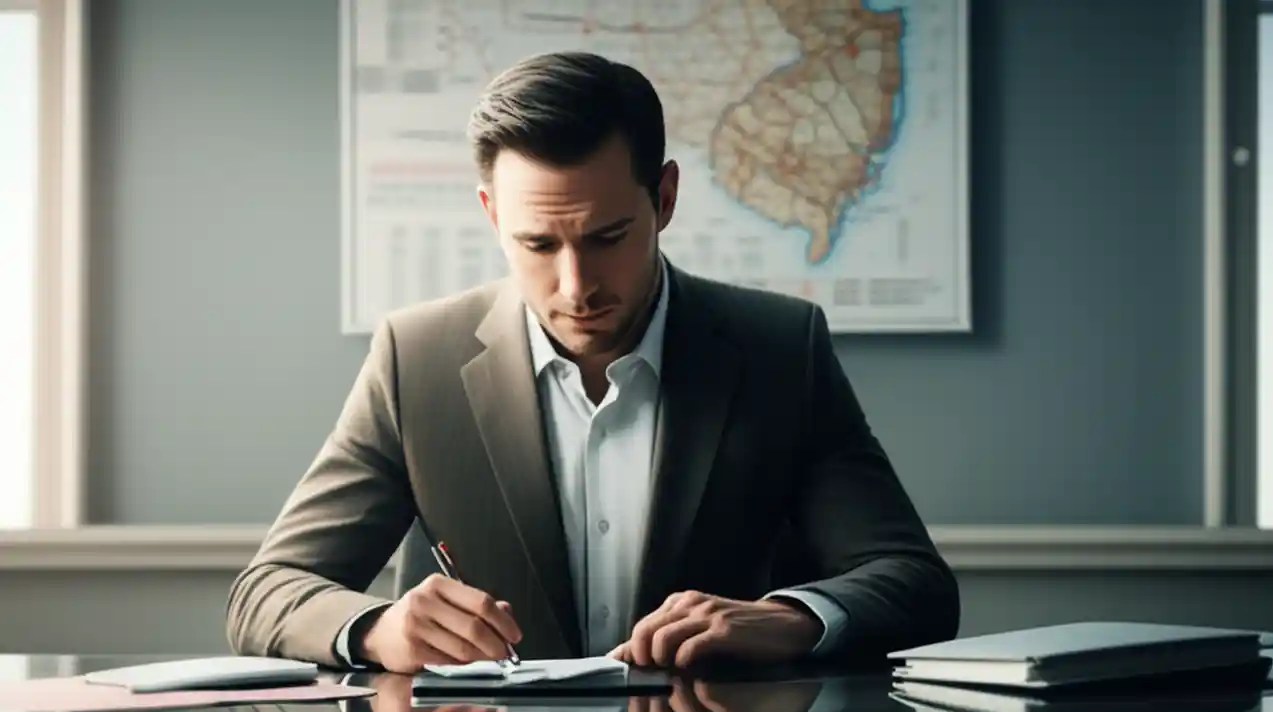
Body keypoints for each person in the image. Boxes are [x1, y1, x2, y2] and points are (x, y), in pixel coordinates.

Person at [226, 51, 959, 674]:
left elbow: (916, 585)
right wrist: (380, 629)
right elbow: (267, 591)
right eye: (538, 245)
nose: (576, 286)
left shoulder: (779, 348)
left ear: (665, 197)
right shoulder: (414, 359)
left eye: (608, 236)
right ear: (491, 215)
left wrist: (792, 619)